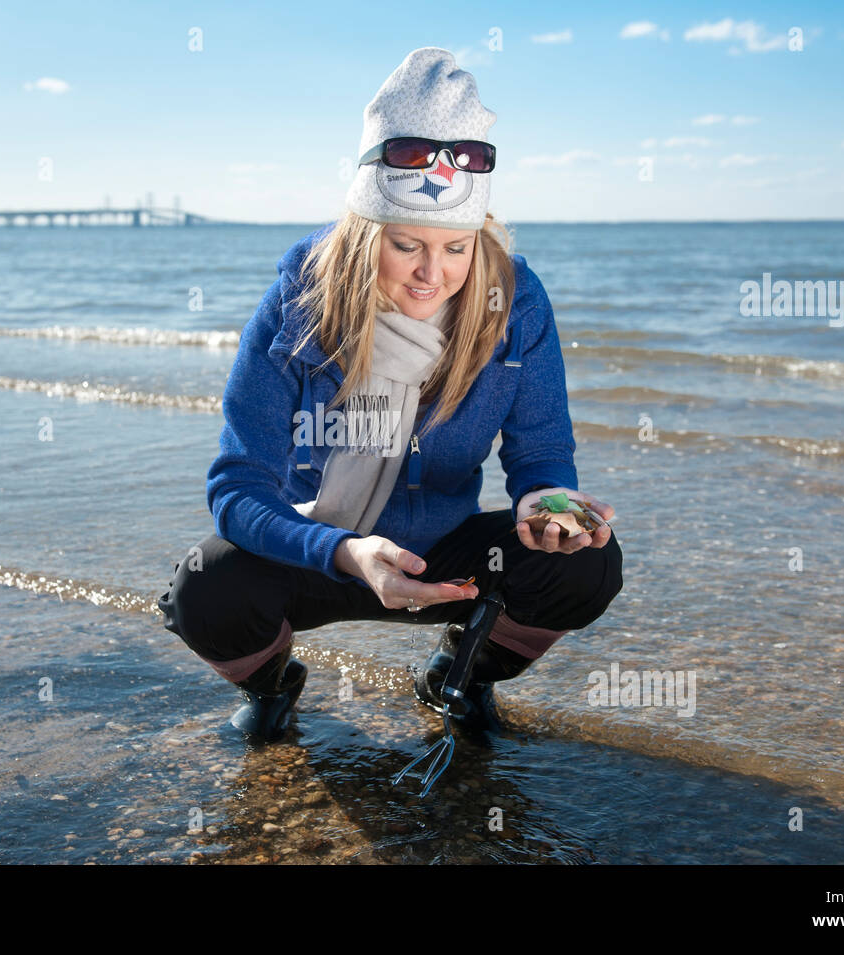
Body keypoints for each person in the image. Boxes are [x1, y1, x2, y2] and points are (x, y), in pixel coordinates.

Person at [158, 47, 622, 742]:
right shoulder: (300, 297)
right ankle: (273, 683)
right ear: (367, 230)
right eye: (408, 246)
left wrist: (544, 501)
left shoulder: (514, 300)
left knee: (587, 562)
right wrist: (345, 551)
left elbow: (542, 450)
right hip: (317, 548)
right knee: (205, 589)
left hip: (446, 557)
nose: (433, 276)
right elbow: (237, 486)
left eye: (456, 249)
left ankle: (459, 674)